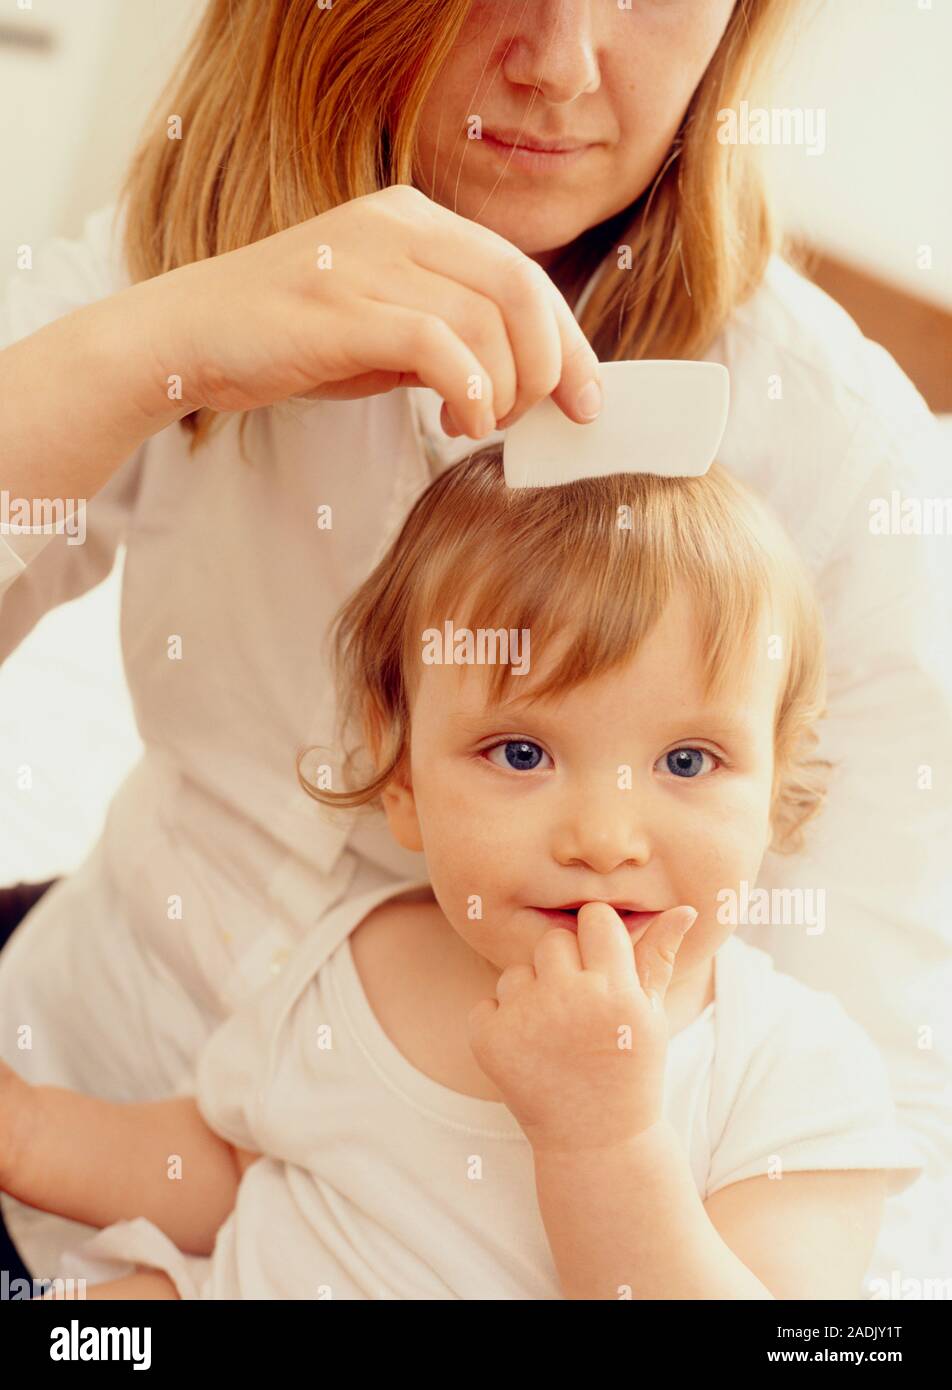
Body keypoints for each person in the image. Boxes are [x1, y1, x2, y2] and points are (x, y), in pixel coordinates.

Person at [0, 0, 948, 1287]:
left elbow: (847, 1249)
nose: (559, 66)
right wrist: (150, 350)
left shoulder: (854, 472)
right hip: (76, 1063)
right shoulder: (184, 256)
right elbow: (223, 1153)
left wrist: (608, 1145)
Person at [1, 452, 922, 1300]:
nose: (604, 839)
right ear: (402, 773)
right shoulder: (365, 952)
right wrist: (34, 1135)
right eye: (521, 752)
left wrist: (607, 1139)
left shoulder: (791, 1072)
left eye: (687, 762)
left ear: (775, 782)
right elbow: (232, 1166)